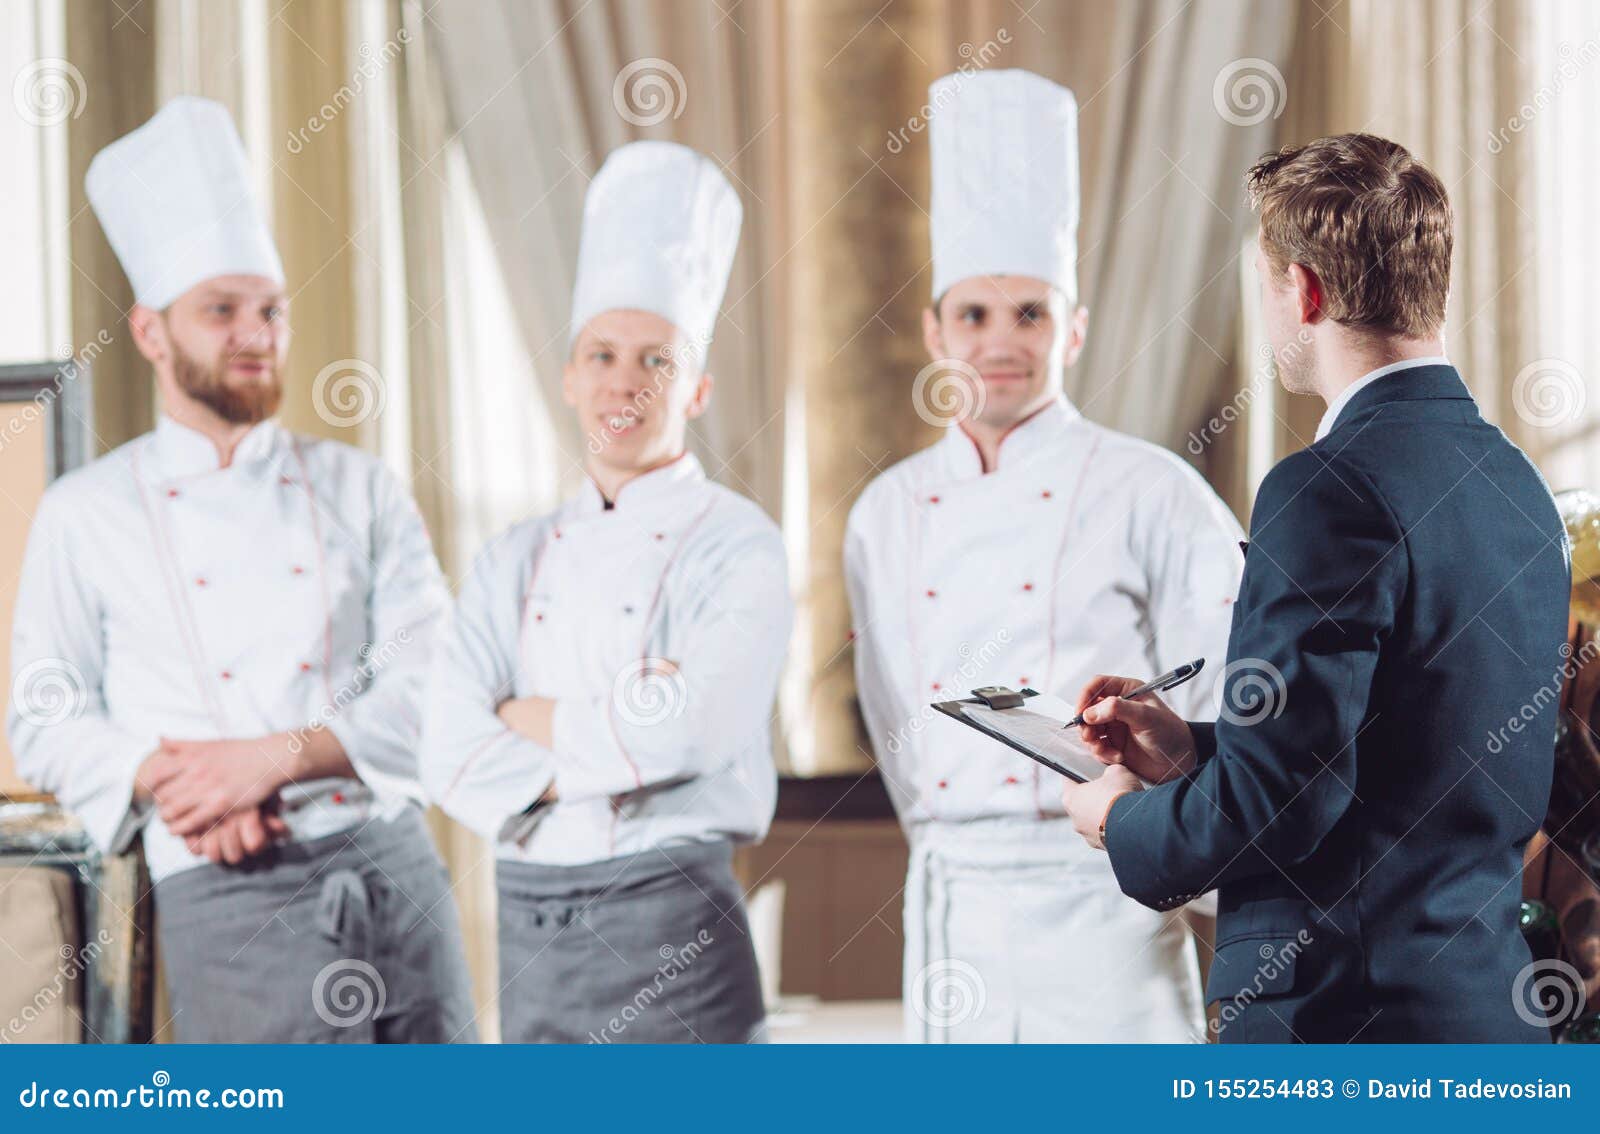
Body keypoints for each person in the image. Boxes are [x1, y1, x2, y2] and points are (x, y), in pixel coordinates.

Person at [1063, 133, 1570, 1043]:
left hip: (1341, 1022)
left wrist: (1119, 821)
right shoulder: (1515, 482)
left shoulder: (1324, 485)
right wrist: (1195, 750)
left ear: (1304, 291)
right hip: (1485, 1011)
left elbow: (1282, 803)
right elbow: (1415, 745)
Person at [6, 97, 475, 1042]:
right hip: (226, 887)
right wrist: (169, 779)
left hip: (392, 867)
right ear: (150, 333)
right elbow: (44, 714)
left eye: (270, 310)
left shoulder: (361, 485)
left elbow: (441, 682)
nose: (255, 333)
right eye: (222, 311)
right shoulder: (85, 511)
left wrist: (268, 760)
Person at [844, 68, 1245, 1042]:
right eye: (974, 316)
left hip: (1103, 886)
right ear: (935, 329)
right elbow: (896, 723)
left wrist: (1165, 844)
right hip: (953, 900)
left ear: (1072, 328)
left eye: (1028, 315)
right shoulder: (884, 513)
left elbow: (1225, 693)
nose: (1000, 343)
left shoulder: (1150, 487)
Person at [420, 140, 791, 1044]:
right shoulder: (512, 553)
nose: (624, 380)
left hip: (672, 923)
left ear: (697, 387)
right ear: (569, 378)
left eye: (656, 360)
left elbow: (696, 728)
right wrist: (627, 719)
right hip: (532, 920)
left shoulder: (738, 541)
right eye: (602, 354)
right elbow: (442, 745)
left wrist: (524, 712)